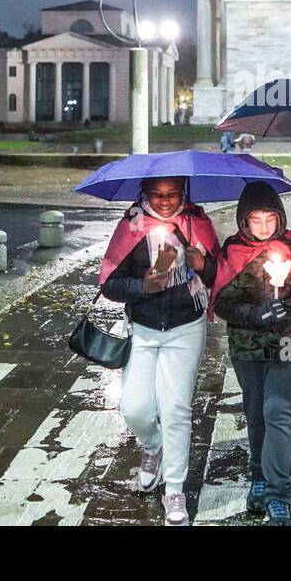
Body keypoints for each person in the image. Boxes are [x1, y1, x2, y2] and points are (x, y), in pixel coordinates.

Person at [99, 176, 219, 526]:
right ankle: (154, 447)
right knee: (135, 408)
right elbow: (110, 283)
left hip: (185, 326)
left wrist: (203, 266)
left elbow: (218, 273)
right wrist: (143, 285)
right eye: (157, 195)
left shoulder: (197, 220)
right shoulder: (132, 222)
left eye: (173, 194)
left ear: (183, 193)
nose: (166, 201)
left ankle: (175, 490)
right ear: (145, 194)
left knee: (176, 409)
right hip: (144, 330)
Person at [210, 181, 291, 526]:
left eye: (269, 219)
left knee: (277, 407)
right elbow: (222, 302)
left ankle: (278, 493)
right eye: (255, 220)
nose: (263, 227)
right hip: (247, 346)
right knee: (256, 409)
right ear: (244, 221)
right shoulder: (232, 251)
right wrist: (254, 314)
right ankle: (258, 475)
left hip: (288, 342)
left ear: (280, 218)